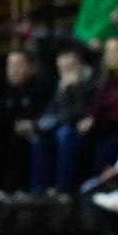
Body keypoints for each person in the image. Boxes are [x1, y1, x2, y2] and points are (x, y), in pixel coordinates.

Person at [76, 36, 118, 189]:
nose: (111, 55)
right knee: (77, 140)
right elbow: (97, 105)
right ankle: (76, 188)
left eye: (116, 50)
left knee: (105, 149)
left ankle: (106, 185)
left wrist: (99, 119)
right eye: (108, 52)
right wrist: (91, 118)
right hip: (107, 127)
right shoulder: (106, 80)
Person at [31, 48, 97, 195]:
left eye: (70, 67)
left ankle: (63, 188)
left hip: (81, 129)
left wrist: (72, 91)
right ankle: (40, 189)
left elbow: (81, 112)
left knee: (64, 134)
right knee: (39, 138)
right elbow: (50, 111)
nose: (66, 72)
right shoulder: (61, 86)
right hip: (61, 125)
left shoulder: (92, 83)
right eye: (62, 68)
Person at [0, 50, 52, 196]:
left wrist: (32, 124)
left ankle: (38, 191)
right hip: (14, 132)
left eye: (18, 65)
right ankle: (3, 189)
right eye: (10, 66)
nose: (14, 70)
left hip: (40, 130)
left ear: (31, 67)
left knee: (36, 141)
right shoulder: (5, 91)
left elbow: (48, 113)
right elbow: (3, 117)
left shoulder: (42, 87)